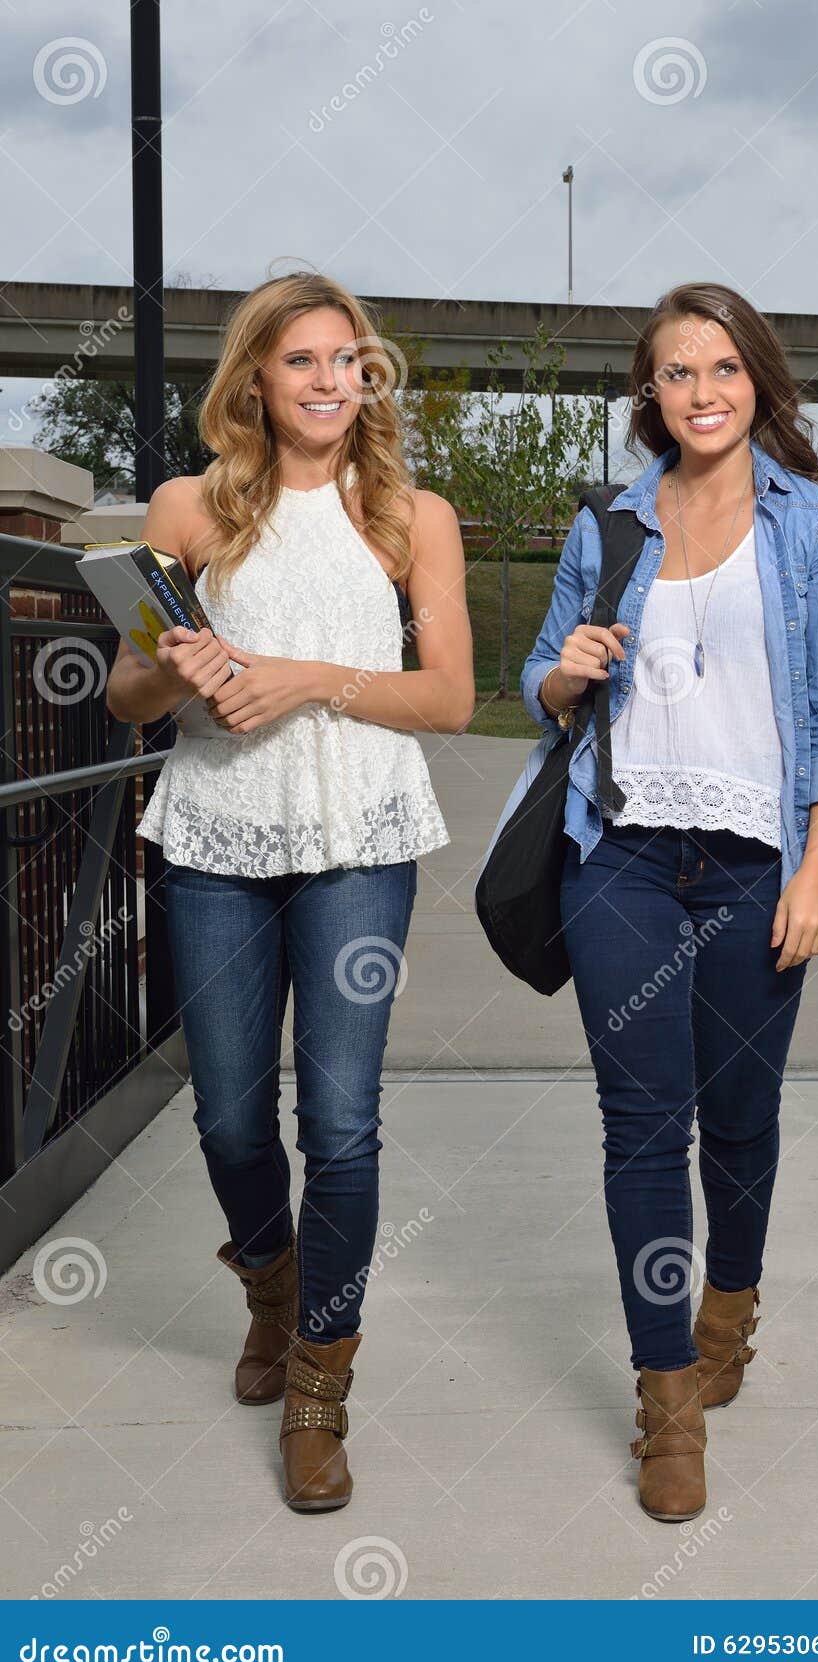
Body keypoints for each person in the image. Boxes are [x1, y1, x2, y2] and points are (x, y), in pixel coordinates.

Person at [106, 270, 473, 1512]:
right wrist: (183, 665)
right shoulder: (187, 507)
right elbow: (126, 697)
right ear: (254, 377)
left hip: (361, 833)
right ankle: (270, 1281)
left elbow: (451, 700)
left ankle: (320, 1382)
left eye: (348, 360)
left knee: (343, 1120)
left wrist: (307, 675)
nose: (329, 381)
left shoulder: (409, 513)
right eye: (302, 359)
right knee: (224, 1117)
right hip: (215, 829)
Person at [519, 282, 818, 1523]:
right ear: (651, 394)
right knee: (638, 1124)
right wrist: (562, 673)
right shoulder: (610, 524)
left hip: (752, 863)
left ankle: (733, 1303)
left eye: (723, 367)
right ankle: (666, 1398)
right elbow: (540, 679)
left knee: (739, 1117)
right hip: (617, 856)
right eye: (678, 372)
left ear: (758, 380)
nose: (703, 391)